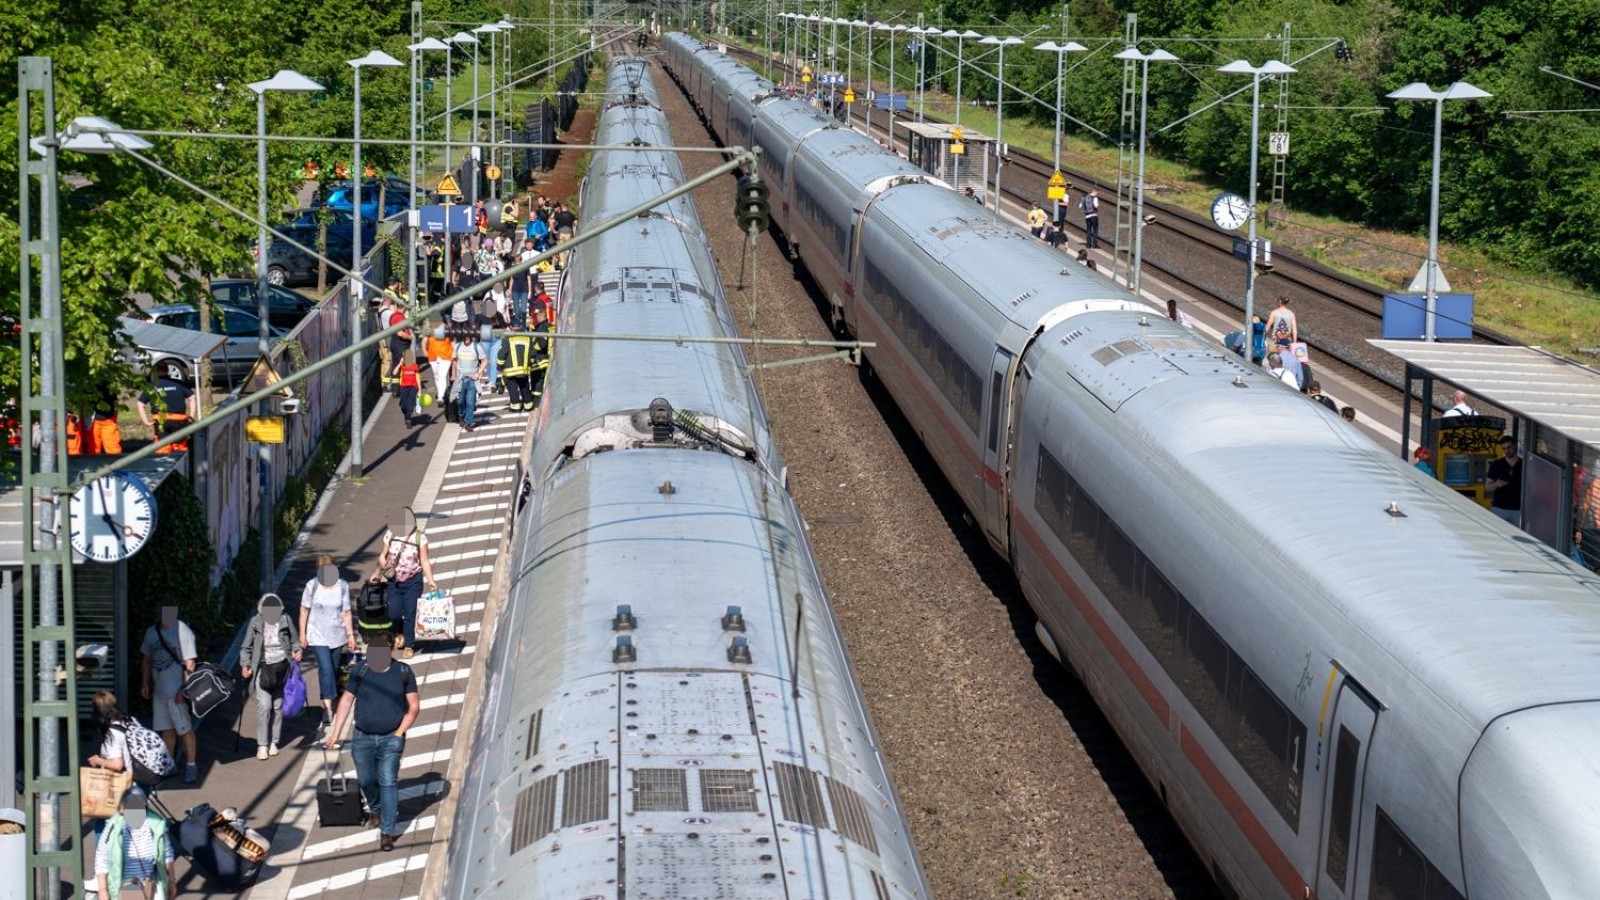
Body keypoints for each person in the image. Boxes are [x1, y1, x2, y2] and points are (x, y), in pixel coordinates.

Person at [325, 631, 419, 852]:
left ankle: (387, 831)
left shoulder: (403, 672)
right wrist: (336, 732)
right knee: (366, 780)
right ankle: (376, 808)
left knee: (388, 782)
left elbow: (413, 707)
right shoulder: (361, 670)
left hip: (391, 737)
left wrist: (399, 733)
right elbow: (347, 700)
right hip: (362, 736)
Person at [239, 594, 301, 760]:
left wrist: (297, 651)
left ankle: (274, 741)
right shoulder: (255, 622)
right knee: (264, 706)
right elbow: (246, 647)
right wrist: (245, 665)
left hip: (282, 669)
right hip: (263, 668)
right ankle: (262, 744)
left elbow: (295, 641)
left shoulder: (286, 620)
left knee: (277, 707)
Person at [140, 606, 198, 784]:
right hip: (159, 690)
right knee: (167, 729)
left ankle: (191, 765)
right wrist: (145, 682)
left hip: (176, 691)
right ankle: (170, 765)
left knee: (184, 729)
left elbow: (190, 662)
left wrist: (184, 689)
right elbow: (147, 658)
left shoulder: (183, 631)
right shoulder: (151, 632)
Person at [372, 510, 438, 659]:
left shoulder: (420, 538)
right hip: (393, 581)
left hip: (413, 581)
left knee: (410, 613)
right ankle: (401, 631)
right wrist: (380, 571)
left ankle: (409, 645)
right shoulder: (390, 534)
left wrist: (431, 580)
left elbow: (425, 561)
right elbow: (383, 555)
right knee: (393, 613)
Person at [299, 555, 356, 726]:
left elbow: (346, 612)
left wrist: (350, 635)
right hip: (317, 634)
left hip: (337, 634)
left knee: (334, 669)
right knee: (325, 669)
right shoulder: (312, 585)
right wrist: (303, 633)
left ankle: (332, 698)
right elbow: (304, 610)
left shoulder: (342, 586)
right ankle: (328, 709)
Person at [94, 792, 177, 900]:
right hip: (125, 886)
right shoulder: (113, 828)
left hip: (150, 884)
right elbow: (101, 859)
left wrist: (171, 881)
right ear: (122, 809)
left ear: (145, 808)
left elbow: (167, 855)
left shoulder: (156, 827)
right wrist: (103, 890)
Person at [136, 364, 196, 454]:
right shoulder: (179, 383)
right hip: (179, 420)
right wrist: (191, 416)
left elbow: (140, 404)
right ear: (167, 370)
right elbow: (192, 398)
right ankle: (181, 465)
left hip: (161, 420)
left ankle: (164, 465)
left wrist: (146, 422)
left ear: (154, 373)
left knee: (162, 448)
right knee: (180, 447)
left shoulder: (152, 386)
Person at [87, 691, 137, 784]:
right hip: (147, 771)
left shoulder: (113, 732)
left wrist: (97, 761)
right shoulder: (131, 720)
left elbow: (117, 765)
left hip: (131, 779)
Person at [452, 326, 487, 432]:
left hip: (472, 379)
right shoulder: (457, 346)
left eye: (468, 336)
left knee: (470, 402)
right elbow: (454, 361)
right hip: (460, 379)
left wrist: (478, 373)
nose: (466, 338)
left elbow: (485, 361)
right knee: (460, 401)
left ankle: (468, 422)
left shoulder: (477, 347)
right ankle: (461, 415)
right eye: (464, 336)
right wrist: (453, 375)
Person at [1486, 435, 1523, 527]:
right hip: (1499, 508)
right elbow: (1487, 488)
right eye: (1504, 449)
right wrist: (1497, 484)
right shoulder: (1496, 464)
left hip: (1518, 509)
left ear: (1515, 446)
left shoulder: (1524, 465)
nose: (1507, 451)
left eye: (1509, 447)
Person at [498, 327, 536, 413]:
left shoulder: (508, 338)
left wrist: (499, 365)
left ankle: (516, 406)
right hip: (523, 369)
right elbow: (533, 353)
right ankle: (528, 405)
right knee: (525, 387)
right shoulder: (527, 338)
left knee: (513, 389)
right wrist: (530, 364)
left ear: (512, 327)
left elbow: (502, 353)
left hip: (510, 370)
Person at [425, 322, 455, 401]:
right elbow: (424, 341)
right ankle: (441, 393)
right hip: (433, 356)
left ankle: (440, 397)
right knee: (436, 376)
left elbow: (452, 342)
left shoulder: (447, 329)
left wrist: (455, 353)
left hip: (446, 356)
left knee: (442, 376)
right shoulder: (429, 329)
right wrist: (425, 351)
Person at [396, 349, 422, 427]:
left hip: (413, 387)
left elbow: (417, 378)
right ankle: (406, 415)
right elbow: (394, 372)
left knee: (410, 404)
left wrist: (419, 390)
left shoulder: (415, 366)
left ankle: (408, 419)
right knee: (403, 406)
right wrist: (399, 364)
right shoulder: (402, 366)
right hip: (403, 387)